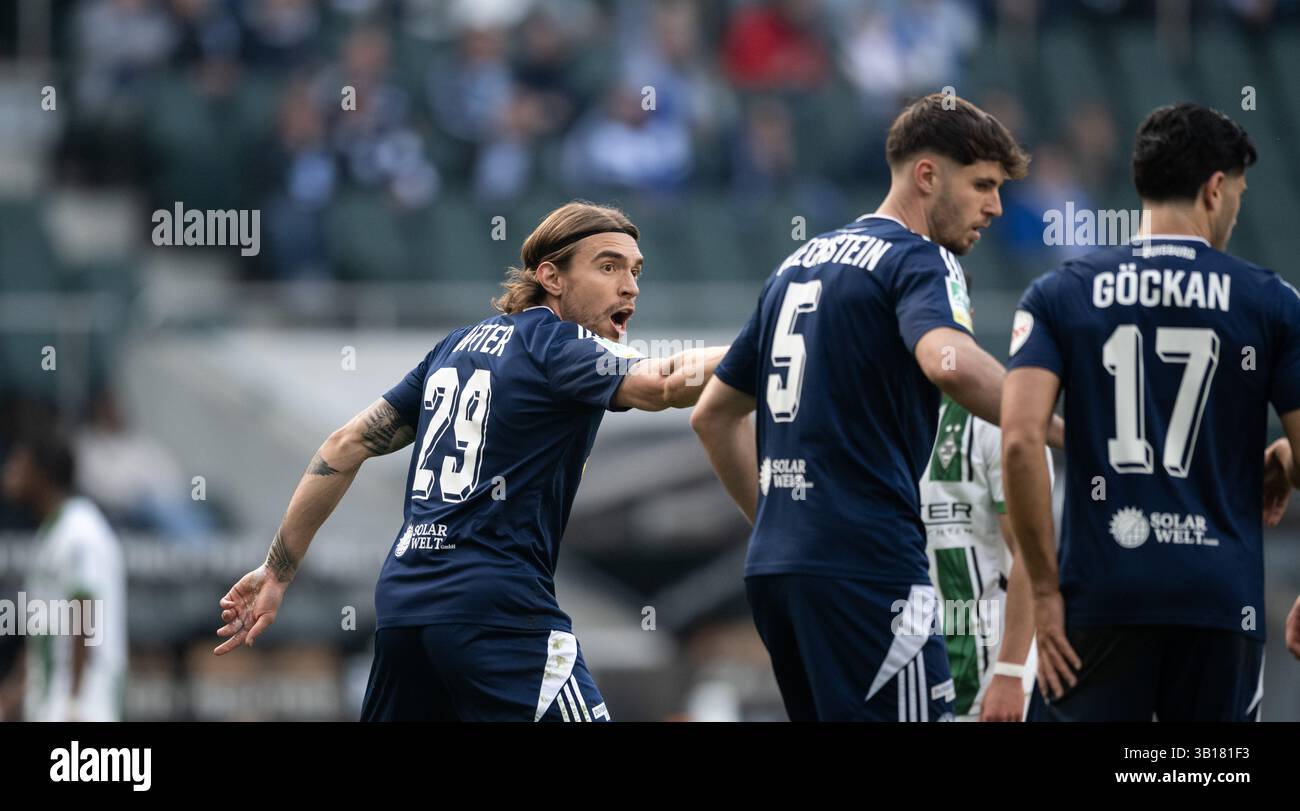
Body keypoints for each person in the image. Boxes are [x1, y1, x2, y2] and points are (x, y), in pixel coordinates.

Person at [215, 201, 727, 721]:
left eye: (635, 271)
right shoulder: (558, 345)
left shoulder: (453, 347)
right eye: (608, 266)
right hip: (498, 613)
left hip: (404, 608)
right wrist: (759, 348)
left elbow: (344, 445)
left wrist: (277, 570)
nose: (630, 287)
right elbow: (664, 383)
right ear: (550, 276)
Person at [691, 92, 1060, 721]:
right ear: (926, 175)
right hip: (869, 568)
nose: (995, 207)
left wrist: (783, 520)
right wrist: (1058, 426)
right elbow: (947, 359)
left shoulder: (796, 265)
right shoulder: (920, 258)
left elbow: (712, 415)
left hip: (779, 570)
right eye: (982, 186)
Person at [1002, 103, 1300, 721]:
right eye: (1238, 194)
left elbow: (1019, 442)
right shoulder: (1271, 302)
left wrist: (1046, 590)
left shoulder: (1061, 292)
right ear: (1215, 189)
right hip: (1219, 601)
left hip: (1101, 596)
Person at [1, 429, 127, 721]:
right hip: (51, 703)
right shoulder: (50, 535)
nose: (9, 471)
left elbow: (84, 608)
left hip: (84, 706)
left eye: (18, 462)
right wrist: (13, 693)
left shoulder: (80, 530)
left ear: (41, 471)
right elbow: (44, 628)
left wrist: (74, 701)